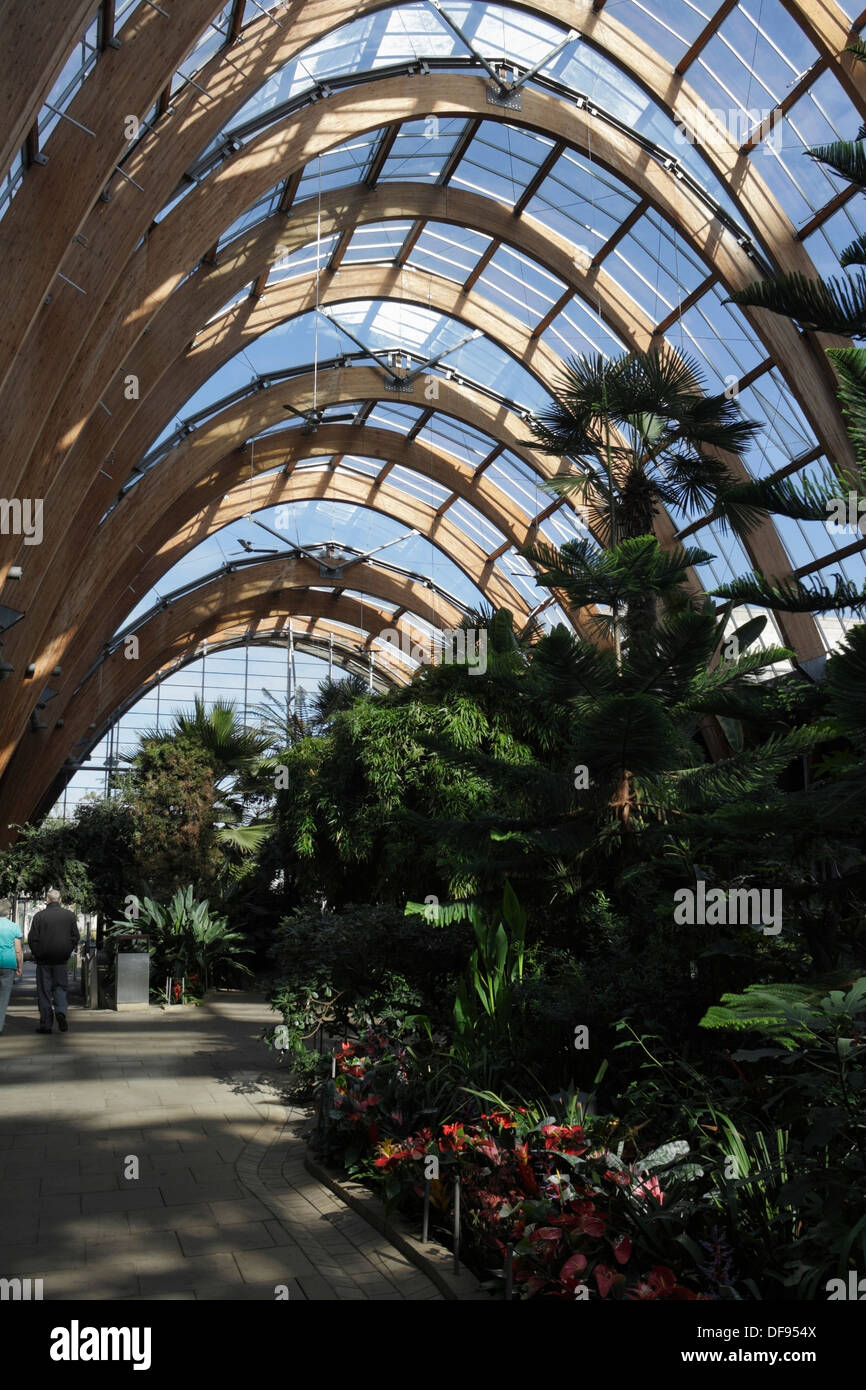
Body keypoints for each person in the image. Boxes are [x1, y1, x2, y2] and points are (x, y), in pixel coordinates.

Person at [28, 889, 79, 1034]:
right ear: (60, 900)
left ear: (47, 900)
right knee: (60, 988)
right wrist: (68, 949)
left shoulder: (39, 916)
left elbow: (32, 938)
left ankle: (46, 1024)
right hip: (61, 960)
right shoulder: (69, 916)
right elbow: (75, 936)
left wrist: (37, 952)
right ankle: (61, 1011)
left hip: (43, 961)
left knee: (44, 992)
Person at [0, 898, 23, 1034]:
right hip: (9, 964)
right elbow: (18, 950)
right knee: (3, 996)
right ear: (8, 913)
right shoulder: (14, 926)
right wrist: (20, 966)